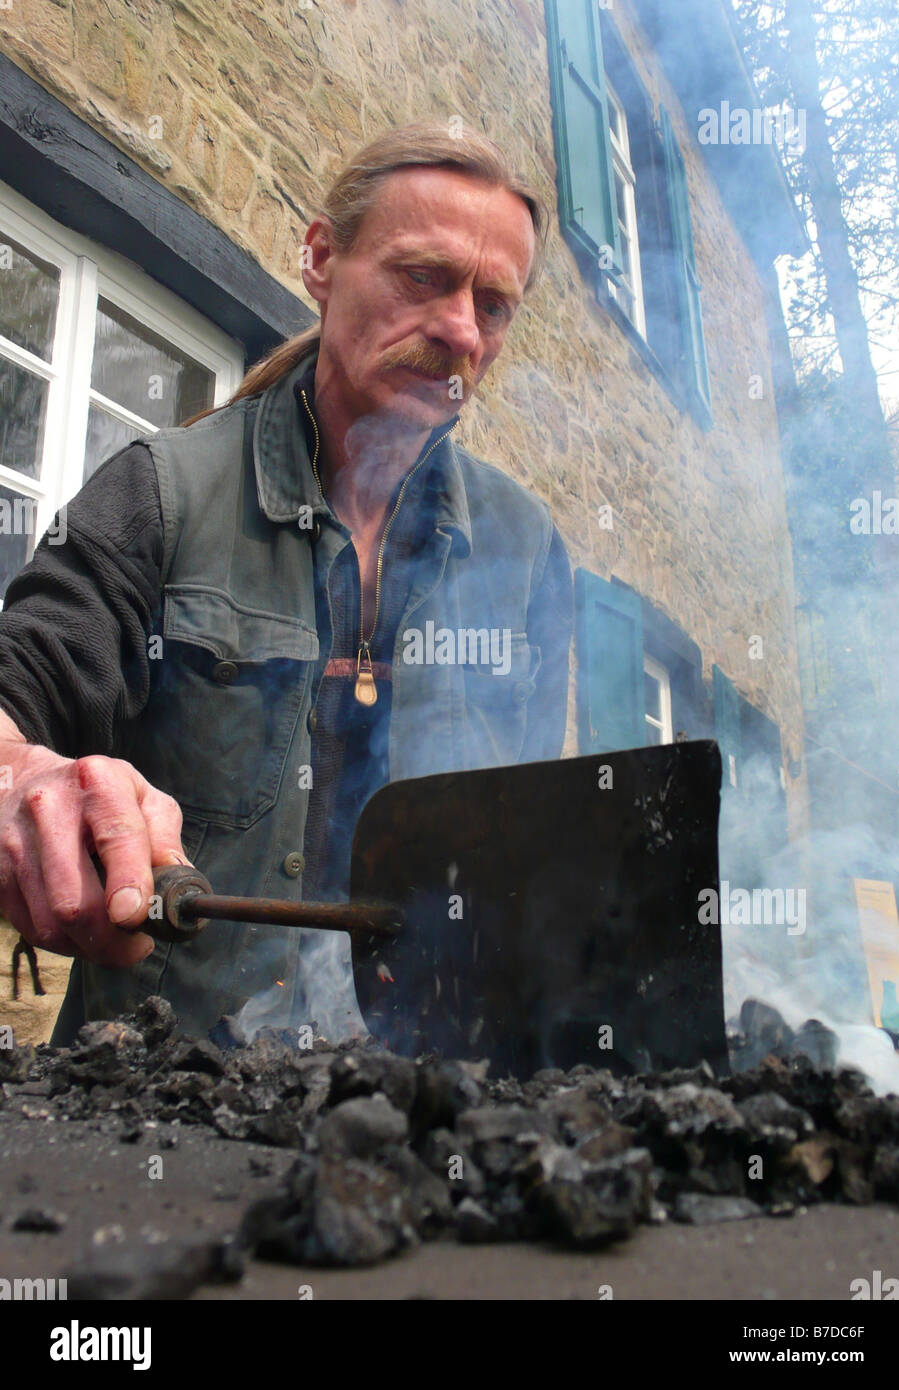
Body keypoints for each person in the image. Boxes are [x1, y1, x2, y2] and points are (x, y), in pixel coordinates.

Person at [0, 122, 573, 1042]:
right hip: (157, 1105)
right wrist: (23, 777)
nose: (461, 329)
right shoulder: (164, 490)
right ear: (320, 259)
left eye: (494, 306)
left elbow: (524, 836)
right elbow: (15, 689)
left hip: (424, 1109)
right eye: (422, 277)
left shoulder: (529, 551)